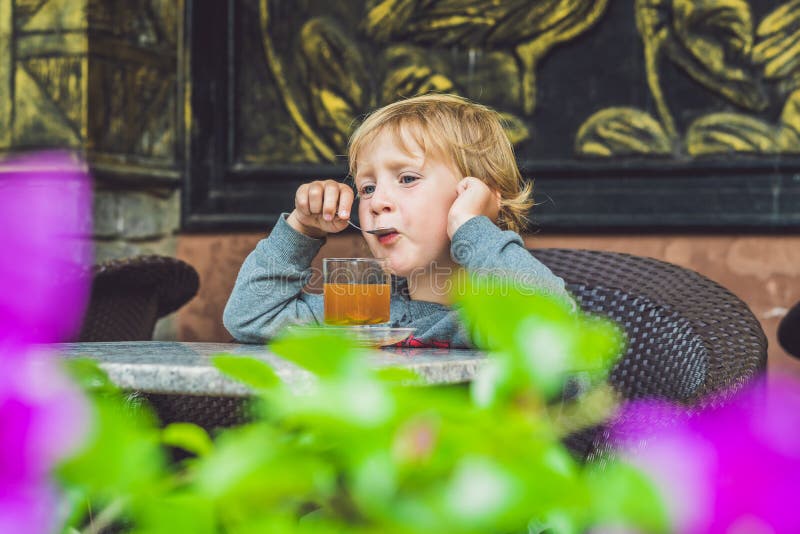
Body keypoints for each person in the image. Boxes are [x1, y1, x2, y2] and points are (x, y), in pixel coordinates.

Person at [223, 93, 573, 347]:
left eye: (407, 178)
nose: (377, 202)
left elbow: (550, 326)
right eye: (368, 187)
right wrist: (302, 229)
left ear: (477, 196)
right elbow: (251, 316)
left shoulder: (488, 319)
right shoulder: (367, 316)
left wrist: (472, 225)